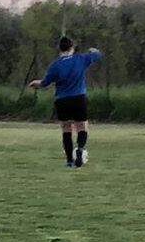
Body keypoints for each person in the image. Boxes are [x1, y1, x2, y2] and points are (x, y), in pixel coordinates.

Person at [28, 37, 103, 167]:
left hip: (62, 100)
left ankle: (69, 160)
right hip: (79, 97)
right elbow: (97, 54)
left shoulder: (55, 65)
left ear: (59, 49)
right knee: (82, 125)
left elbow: (45, 83)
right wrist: (93, 50)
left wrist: (36, 83)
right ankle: (80, 148)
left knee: (66, 128)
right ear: (72, 47)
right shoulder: (80, 59)